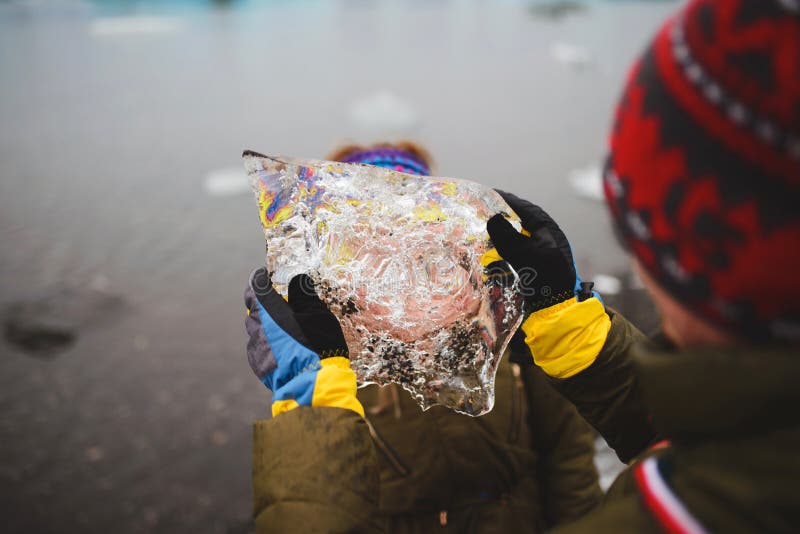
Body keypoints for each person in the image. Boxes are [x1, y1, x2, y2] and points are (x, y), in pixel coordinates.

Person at [245, 0, 800, 531]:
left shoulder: (502, 331)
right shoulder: (339, 353)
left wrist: (310, 404)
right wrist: (575, 329)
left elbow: (567, 463)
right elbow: (705, 435)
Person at [246, 142, 603, 532]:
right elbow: (322, 505)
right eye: (374, 233)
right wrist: (314, 395)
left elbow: (567, 457)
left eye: (415, 228)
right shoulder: (334, 369)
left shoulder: (503, 328)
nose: (396, 249)